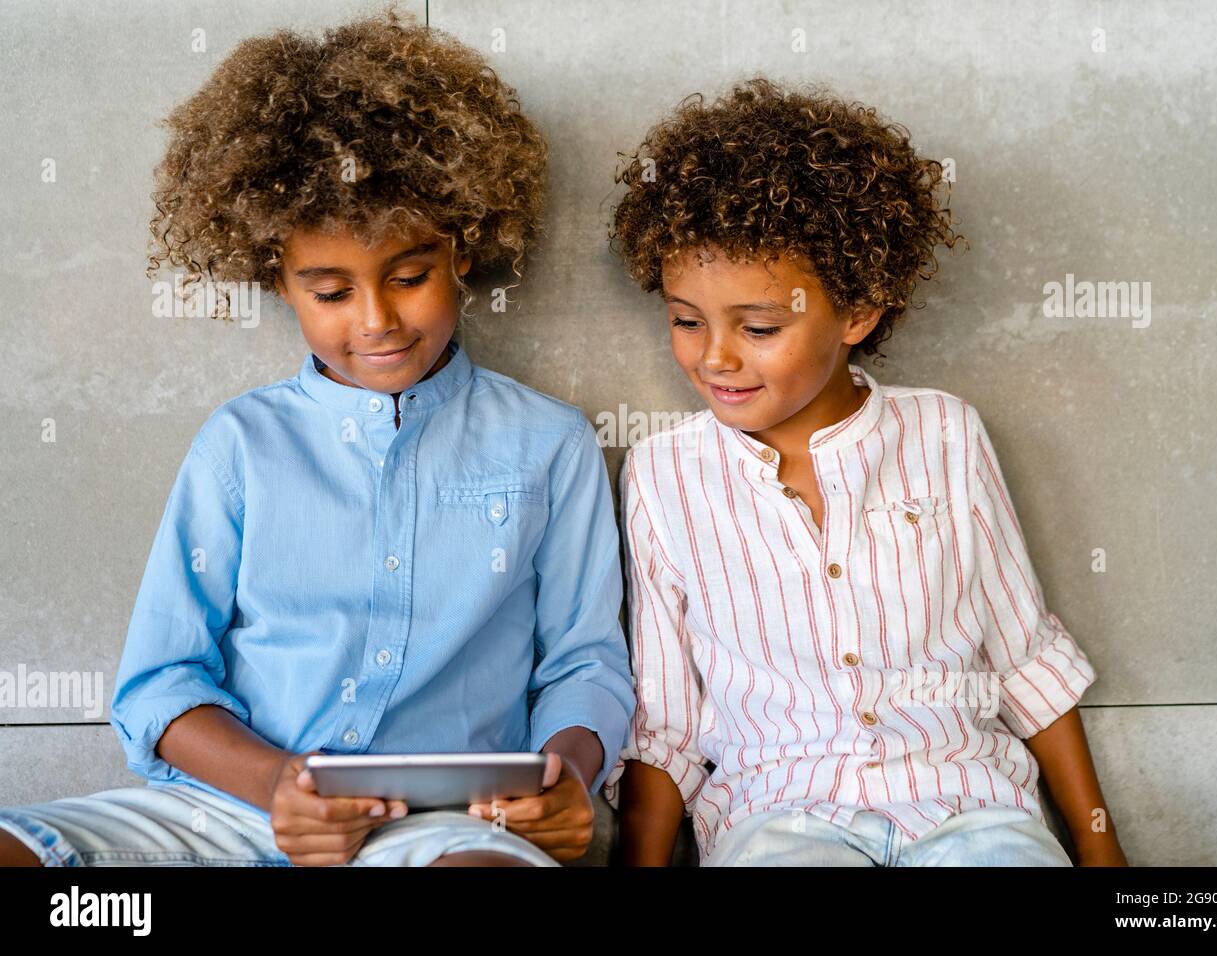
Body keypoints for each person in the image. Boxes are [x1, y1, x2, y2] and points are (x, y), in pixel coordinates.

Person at [0, 6, 634, 868]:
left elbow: (584, 666)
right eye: (331, 292)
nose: (377, 322)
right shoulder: (240, 444)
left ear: (466, 247)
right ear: (277, 278)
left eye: (409, 276)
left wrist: (571, 776)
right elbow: (162, 686)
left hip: (447, 829)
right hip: (225, 812)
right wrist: (279, 790)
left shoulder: (549, 444)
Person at [603, 77, 1127, 866]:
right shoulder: (662, 474)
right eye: (685, 320)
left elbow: (1026, 659)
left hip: (971, 809)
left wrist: (1102, 852)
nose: (714, 357)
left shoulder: (946, 434)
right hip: (777, 818)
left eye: (759, 326)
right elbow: (666, 719)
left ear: (858, 312)